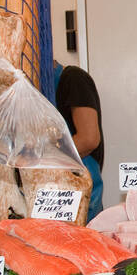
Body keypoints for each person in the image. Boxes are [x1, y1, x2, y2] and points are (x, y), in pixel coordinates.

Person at [52, 60, 105, 222]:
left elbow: (88, 140)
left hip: (79, 195)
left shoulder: (73, 79)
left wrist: (38, 163)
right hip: (52, 198)